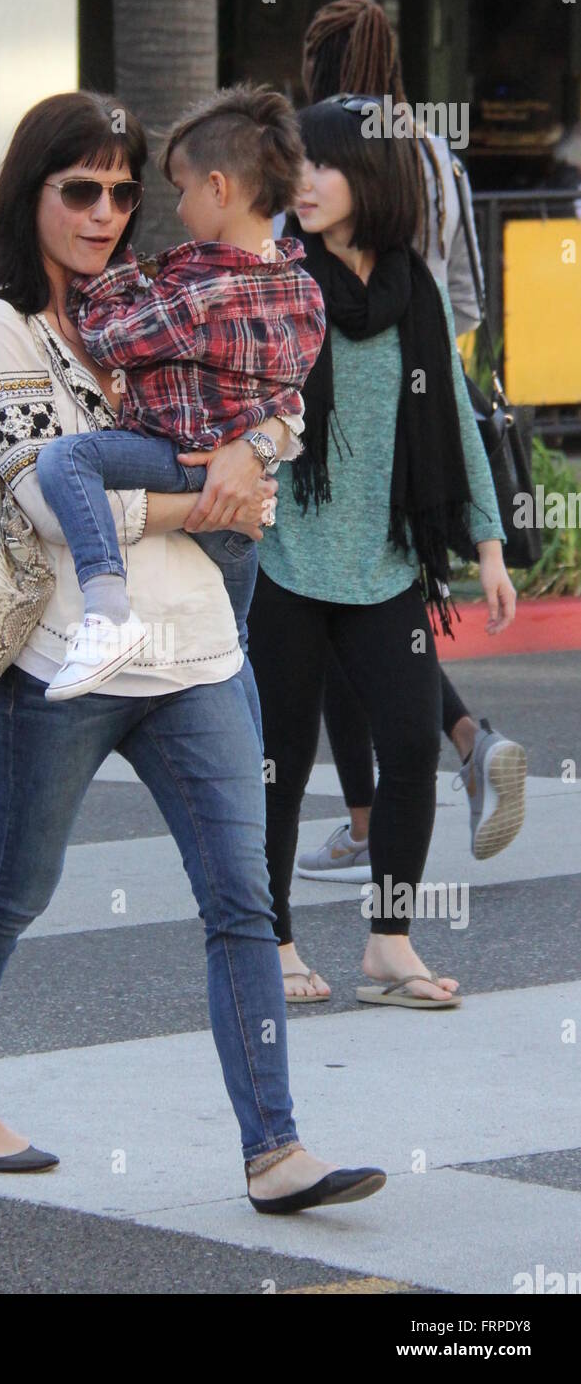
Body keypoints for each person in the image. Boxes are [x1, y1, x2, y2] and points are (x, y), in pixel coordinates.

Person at [0, 89, 385, 1215]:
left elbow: (281, 402)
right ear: (32, 192)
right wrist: (212, 500)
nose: (109, 212)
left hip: (202, 653)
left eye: (126, 192)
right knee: (15, 891)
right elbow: (34, 496)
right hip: (69, 656)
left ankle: (275, 1149)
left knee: (242, 906)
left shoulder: (173, 289)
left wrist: (254, 448)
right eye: (82, 190)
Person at [246, 94, 517, 1011]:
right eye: (296, 168)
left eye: (320, 165)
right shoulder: (279, 277)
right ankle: (271, 942)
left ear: (373, 177)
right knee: (277, 764)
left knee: (408, 751)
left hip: (387, 564)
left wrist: (486, 544)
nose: (302, 183)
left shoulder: (414, 289)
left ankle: (387, 945)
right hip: (283, 562)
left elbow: (455, 421)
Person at [282, 0, 527, 926]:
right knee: (374, 638)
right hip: (406, 423)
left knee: (350, 651)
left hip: (361, 440)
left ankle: (368, 822)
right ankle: (460, 745)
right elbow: (465, 295)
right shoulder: (436, 155)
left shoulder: (317, 169)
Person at [34, 86, 323, 701]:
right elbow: (293, 392)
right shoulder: (304, 291)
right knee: (235, 652)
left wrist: (112, 278)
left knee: (66, 459)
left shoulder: (196, 294)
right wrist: (260, 439)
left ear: (218, 188)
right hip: (241, 502)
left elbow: (110, 340)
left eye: (184, 189)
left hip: (179, 462)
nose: (180, 207)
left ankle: (107, 609)